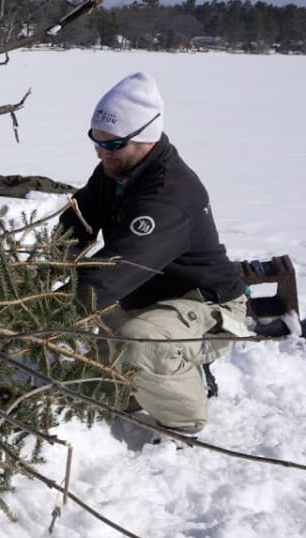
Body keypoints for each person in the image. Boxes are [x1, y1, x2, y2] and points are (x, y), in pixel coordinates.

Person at [59, 72, 248, 437]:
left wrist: (35, 308)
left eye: (112, 144)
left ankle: (183, 421)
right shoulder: (116, 170)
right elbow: (77, 222)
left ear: (145, 137)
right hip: (148, 295)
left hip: (208, 307)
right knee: (110, 350)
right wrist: (43, 266)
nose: (101, 153)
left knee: (137, 342)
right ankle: (146, 382)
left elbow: (112, 274)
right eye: (96, 142)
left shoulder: (168, 196)